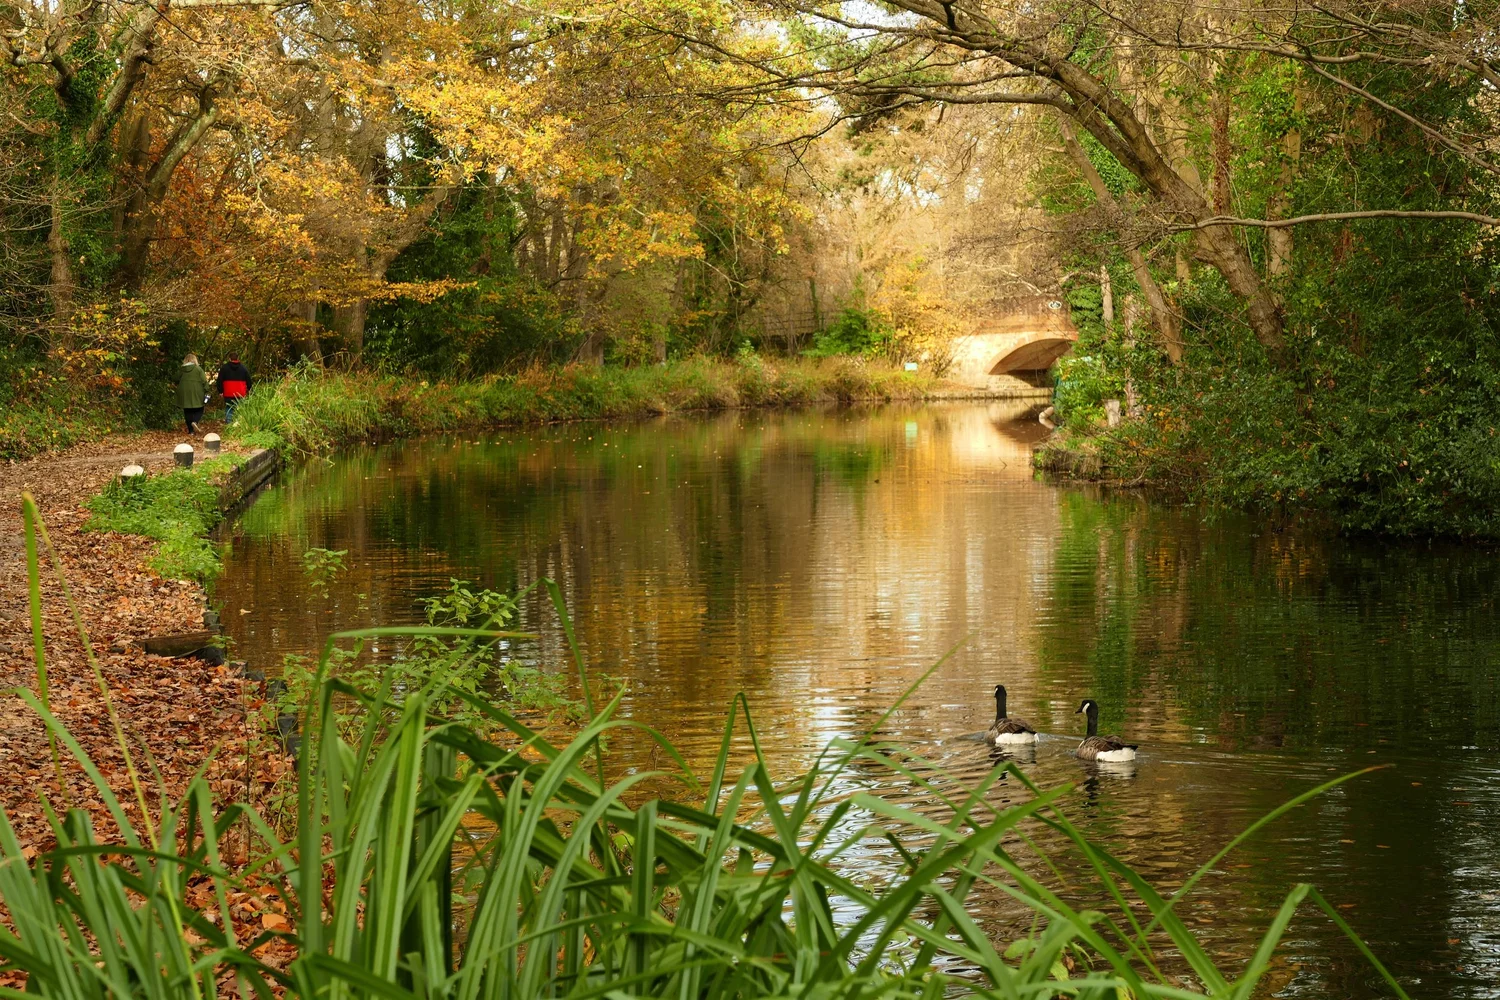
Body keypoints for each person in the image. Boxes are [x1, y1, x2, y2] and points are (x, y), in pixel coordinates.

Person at [177, 353, 209, 434]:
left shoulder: (181, 369)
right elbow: (204, 381)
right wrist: (207, 390)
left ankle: (191, 431)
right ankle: (195, 421)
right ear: (195, 360)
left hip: (184, 392)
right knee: (200, 408)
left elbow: (175, 378)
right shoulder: (198, 369)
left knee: (187, 410)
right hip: (197, 391)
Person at [216, 354, 253, 424]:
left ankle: (229, 424)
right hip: (240, 393)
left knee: (229, 408)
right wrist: (249, 388)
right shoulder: (243, 368)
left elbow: (219, 380)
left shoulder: (224, 368)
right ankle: (238, 424)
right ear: (238, 358)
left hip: (228, 393)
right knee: (239, 408)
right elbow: (249, 380)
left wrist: (220, 391)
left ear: (229, 359)